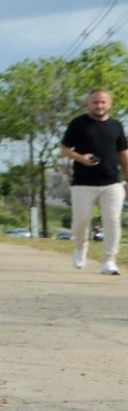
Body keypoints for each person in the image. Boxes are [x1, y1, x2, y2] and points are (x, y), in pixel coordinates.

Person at [59, 88, 128, 275]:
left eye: (103, 102)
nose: (99, 106)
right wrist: (81, 158)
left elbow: (123, 153)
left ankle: (109, 261)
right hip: (83, 183)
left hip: (112, 183)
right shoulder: (78, 124)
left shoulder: (116, 126)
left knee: (112, 221)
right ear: (89, 104)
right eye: (95, 102)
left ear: (110, 104)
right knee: (81, 221)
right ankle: (80, 248)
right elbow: (64, 149)